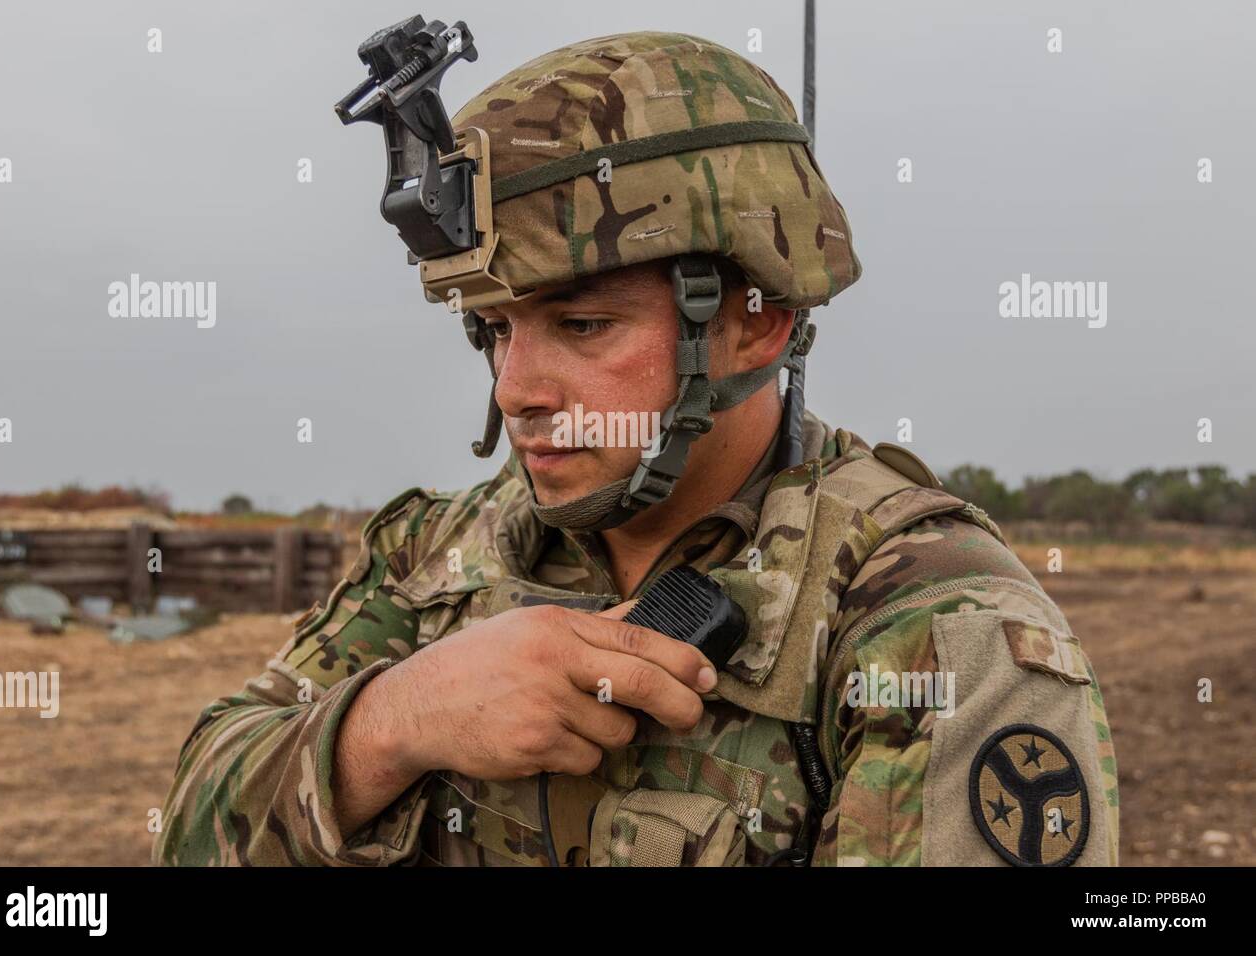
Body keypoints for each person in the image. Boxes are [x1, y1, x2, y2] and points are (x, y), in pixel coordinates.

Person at [154, 31, 1117, 867]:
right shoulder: (439, 558)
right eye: (492, 329)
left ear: (755, 325)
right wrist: (395, 723)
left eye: (580, 326)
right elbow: (190, 828)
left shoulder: (932, 624)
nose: (515, 389)